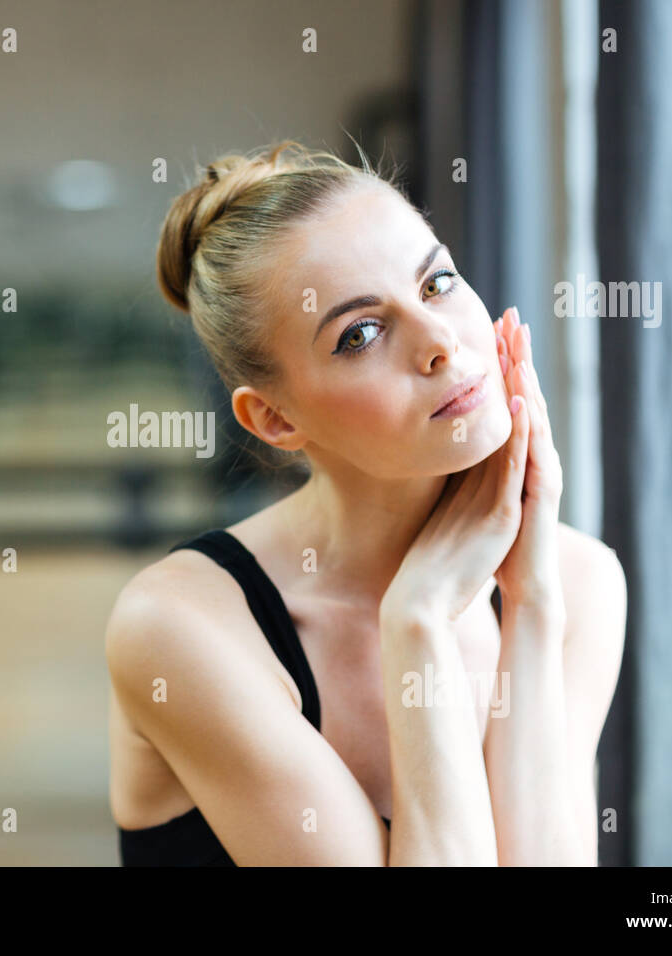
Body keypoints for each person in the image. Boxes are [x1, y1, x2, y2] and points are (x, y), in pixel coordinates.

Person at [105, 141, 627, 866]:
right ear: (276, 419)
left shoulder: (575, 580)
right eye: (360, 334)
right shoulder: (182, 627)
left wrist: (532, 606)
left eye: (438, 282)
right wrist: (418, 620)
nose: (441, 340)